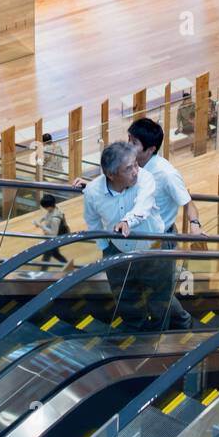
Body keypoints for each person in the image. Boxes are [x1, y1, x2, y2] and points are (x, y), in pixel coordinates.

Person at [82, 141, 172, 330]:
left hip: (153, 248)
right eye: (128, 168)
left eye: (136, 164)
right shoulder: (92, 192)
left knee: (160, 296)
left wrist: (127, 221)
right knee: (125, 295)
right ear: (111, 174)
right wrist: (105, 247)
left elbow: (144, 206)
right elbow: (93, 221)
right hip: (117, 249)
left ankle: (168, 330)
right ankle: (137, 331)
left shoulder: (145, 178)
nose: (135, 171)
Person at [127, 117, 204, 329]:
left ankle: (174, 328)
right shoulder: (130, 164)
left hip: (160, 240)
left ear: (150, 149)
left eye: (134, 143)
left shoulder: (166, 173)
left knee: (158, 295)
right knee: (142, 287)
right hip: (137, 237)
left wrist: (195, 225)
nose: (128, 145)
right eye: (129, 139)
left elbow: (188, 203)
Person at [34, 193, 69, 265]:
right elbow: (47, 215)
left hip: (56, 238)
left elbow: (53, 234)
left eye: (45, 207)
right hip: (53, 237)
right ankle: (66, 265)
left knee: (51, 253)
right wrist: (40, 220)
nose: (45, 209)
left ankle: (43, 269)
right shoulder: (55, 208)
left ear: (49, 206)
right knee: (51, 253)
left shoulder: (55, 219)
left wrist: (41, 225)